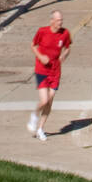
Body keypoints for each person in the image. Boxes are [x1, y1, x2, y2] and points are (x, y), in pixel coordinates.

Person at [27, 9, 72, 141]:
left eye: (61, 20)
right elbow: (33, 45)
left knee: (50, 101)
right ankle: (34, 115)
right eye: (58, 20)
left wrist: (64, 55)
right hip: (41, 70)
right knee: (44, 100)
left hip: (55, 72)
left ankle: (40, 128)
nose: (60, 22)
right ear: (51, 21)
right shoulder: (42, 31)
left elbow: (68, 47)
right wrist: (40, 56)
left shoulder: (65, 33)